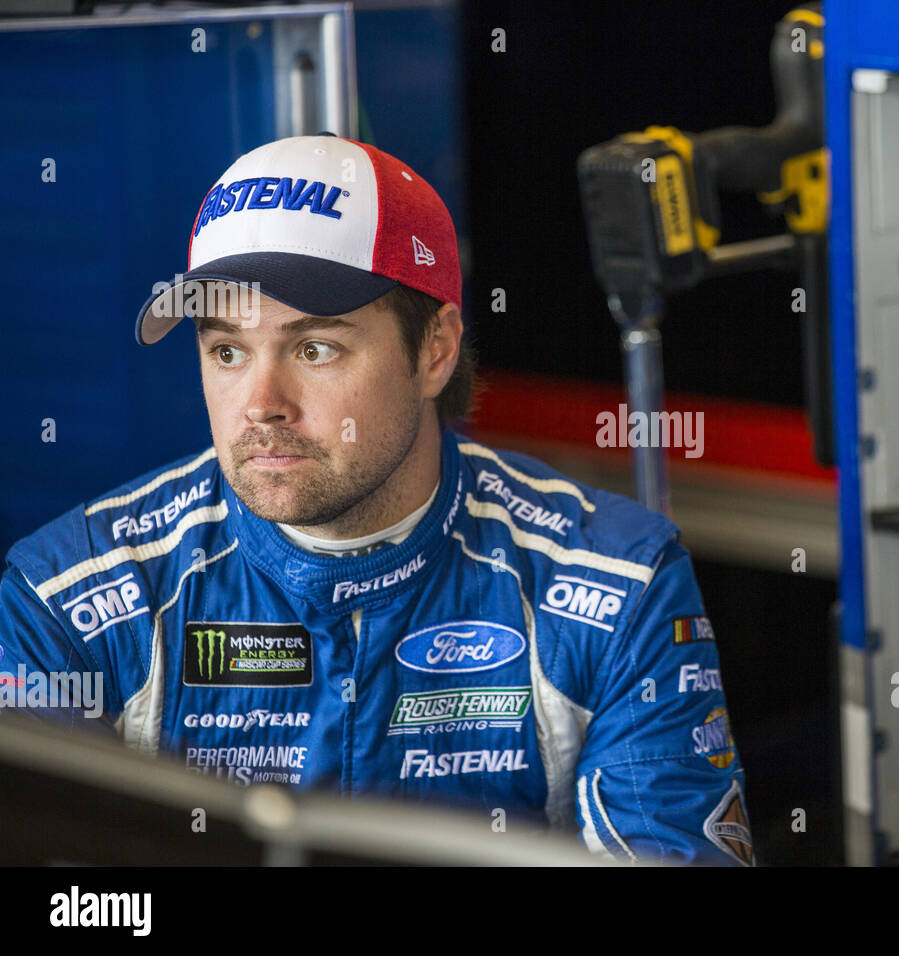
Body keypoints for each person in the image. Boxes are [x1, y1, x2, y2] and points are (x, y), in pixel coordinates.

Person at [0, 134, 754, 866]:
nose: (261, 404)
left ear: (435, 348)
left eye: (314, 348)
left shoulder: (616, 581)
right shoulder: (70, 594)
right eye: (227, 351)